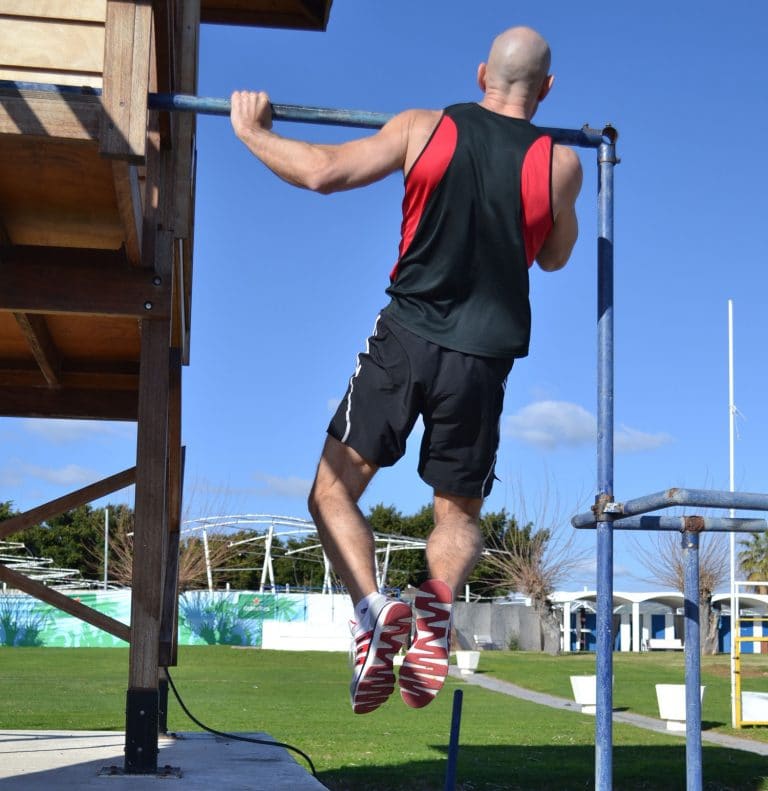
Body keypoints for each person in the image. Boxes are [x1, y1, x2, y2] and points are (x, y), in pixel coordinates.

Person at [230, 25, 583, 714]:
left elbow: (322, 171)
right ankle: (436, 612)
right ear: (547, 89)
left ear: (481, 72)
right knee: (458, 512)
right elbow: (555, 255)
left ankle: (371, 609)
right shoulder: (560, 166)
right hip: (484, 360)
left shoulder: (424, 127)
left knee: (331, 493)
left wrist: (253, 132)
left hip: (407, 337)